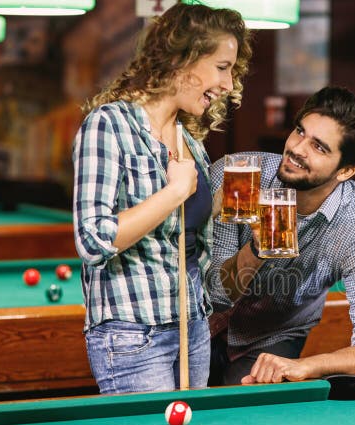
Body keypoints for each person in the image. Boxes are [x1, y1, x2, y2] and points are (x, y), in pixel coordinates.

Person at [72, 3, 252, 393]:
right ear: (183, 58)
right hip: (135, 332)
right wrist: (174, 192)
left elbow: (179, 230)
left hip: (193, 325)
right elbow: (92, 240)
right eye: (222, 67)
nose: (228, 85)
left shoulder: (190, 140)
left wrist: (227, 202)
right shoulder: (109, 125)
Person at [207, 86, 355, 385]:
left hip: (270, 338)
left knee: (249, 407)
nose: (298, 149)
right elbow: (216, 298)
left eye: (319, 147)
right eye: (300, 132)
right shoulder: (239, 176)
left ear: (346, 171)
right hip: (196, 326)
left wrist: (308, 366)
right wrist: (257, 250)